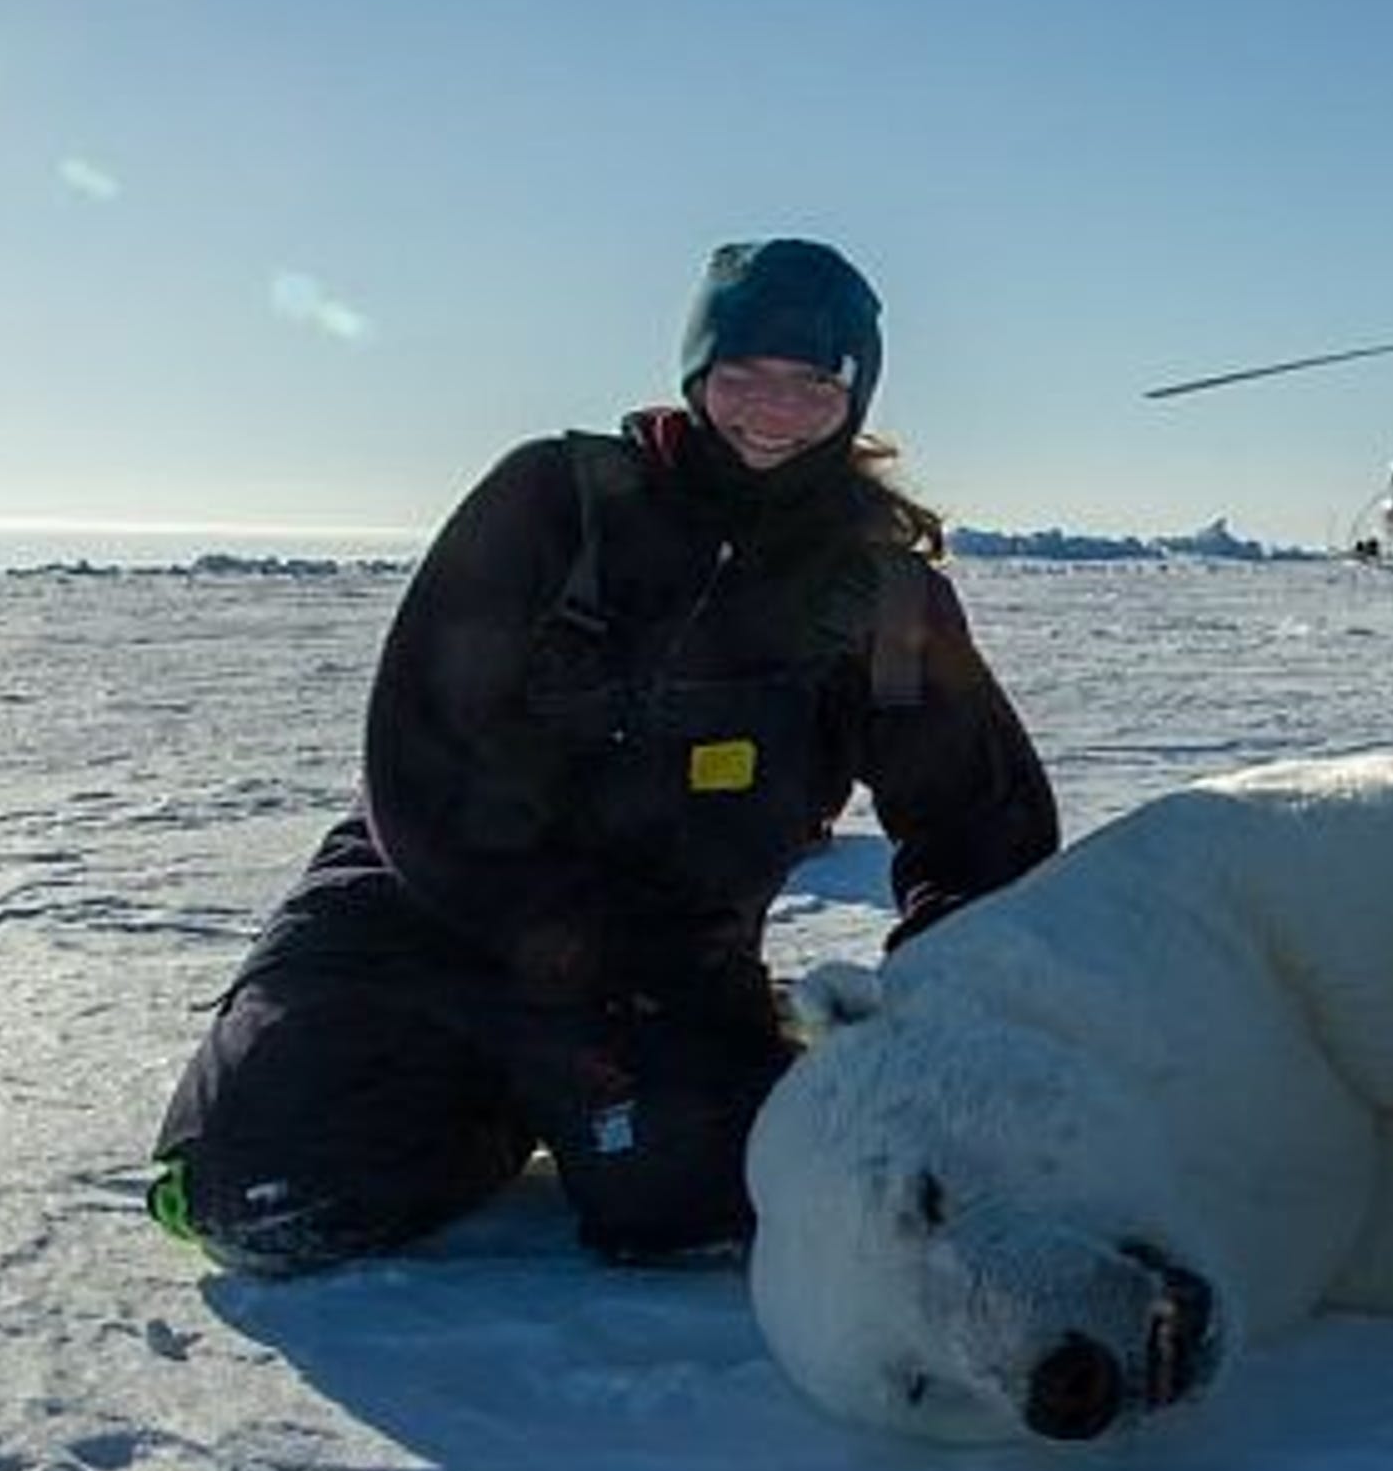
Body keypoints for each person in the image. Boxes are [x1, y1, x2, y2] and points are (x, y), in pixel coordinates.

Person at [145, 237, 1060, 1274]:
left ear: (851, 399)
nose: (771, 410)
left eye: (810, 385)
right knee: (259, 1198)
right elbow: (418, 757)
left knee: (705, 1208)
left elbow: (979, 821)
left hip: (659, 972)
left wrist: (938, 1001)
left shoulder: (883, 599)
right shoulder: (554, 501)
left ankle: (622, 1106)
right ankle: (502, 1095)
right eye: (743, 376)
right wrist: (545, 952)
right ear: (695, 373)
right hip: (419, 915)